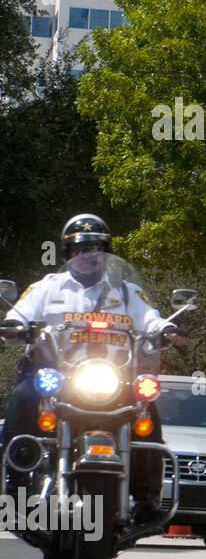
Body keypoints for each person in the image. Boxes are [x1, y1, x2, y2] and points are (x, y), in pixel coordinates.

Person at [1, 215, 187, 518]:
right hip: (57, 377)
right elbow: (20, 313)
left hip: (112, 377)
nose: (89, 255)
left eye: (97, 248)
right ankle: (16, 484)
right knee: (23, 396)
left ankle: (146, 498)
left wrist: (165, 329)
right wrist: (13, 325)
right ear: (68, 254)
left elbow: (150, 317)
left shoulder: (126, 292)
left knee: (146, 408)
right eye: (80, 249)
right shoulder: (46, 288)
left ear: (107, 253)